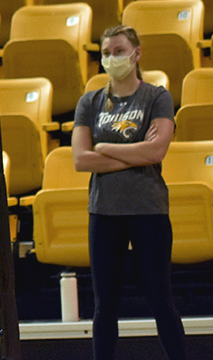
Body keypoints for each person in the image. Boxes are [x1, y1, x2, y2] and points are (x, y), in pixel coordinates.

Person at [72, 25, 185, 360]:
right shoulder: (89, 101)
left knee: (160, 298)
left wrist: (104, 147)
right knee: (105, 304)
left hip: (148, 209)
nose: (111, 58)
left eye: (118, 51)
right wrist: (134, 151)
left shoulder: (156, 96)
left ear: (136, 54)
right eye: (106, 53)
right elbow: (80, 159)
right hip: (104, 212)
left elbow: (156, 152)